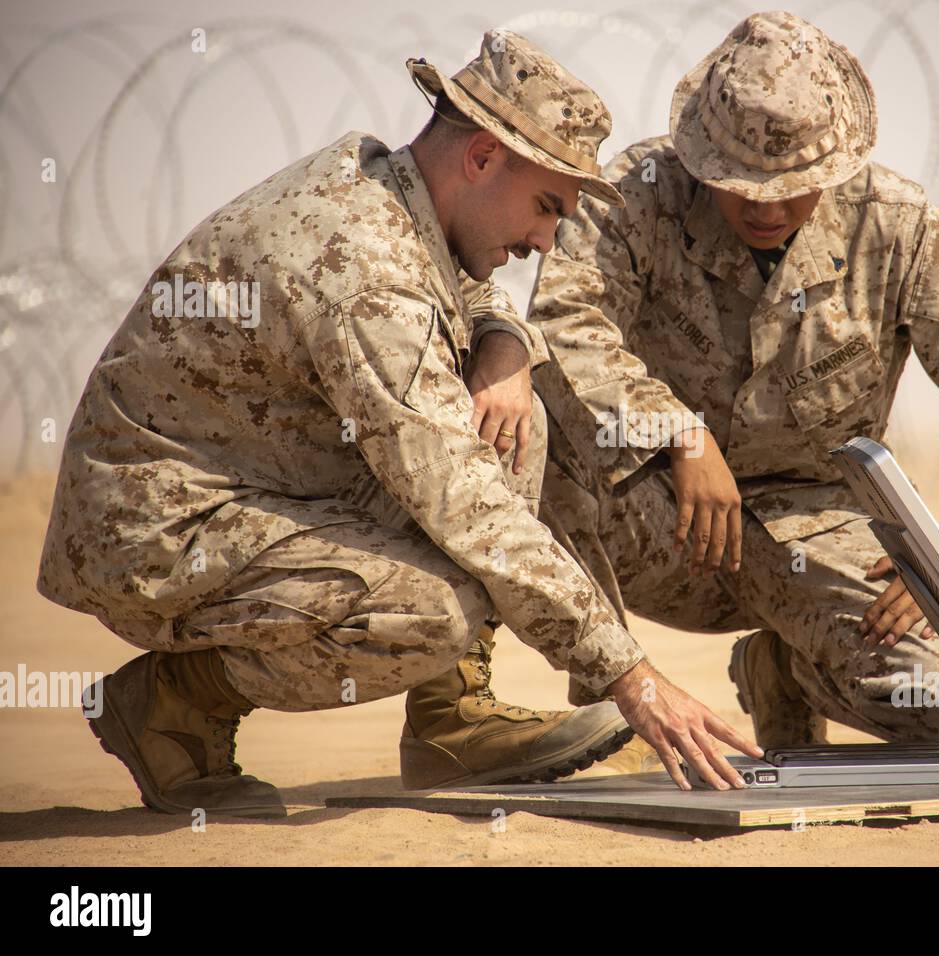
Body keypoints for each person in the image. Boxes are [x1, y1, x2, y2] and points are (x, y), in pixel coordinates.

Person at [37, 30, 761, 818]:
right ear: (482, 157)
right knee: (430, 609)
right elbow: (471, 510)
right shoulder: (364, 272)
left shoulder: (398, 191)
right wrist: (633, 680)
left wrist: (505, 344)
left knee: (516, 416)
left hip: (268, 487)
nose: (547, 241)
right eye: (547, 206)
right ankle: (173, 702)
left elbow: (461, 292)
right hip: (159, 526)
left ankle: (453, 719)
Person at [529, 11, 939, 750]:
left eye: (794, 186)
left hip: (817, 528)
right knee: (501, 423)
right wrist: (678, 434)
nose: (769, 207)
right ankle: (466, 712)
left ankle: (782, 667)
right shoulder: (640, 194)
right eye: (742, 185)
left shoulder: (897, 228)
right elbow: (564, 324)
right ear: (700, 159)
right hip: (652, 515)